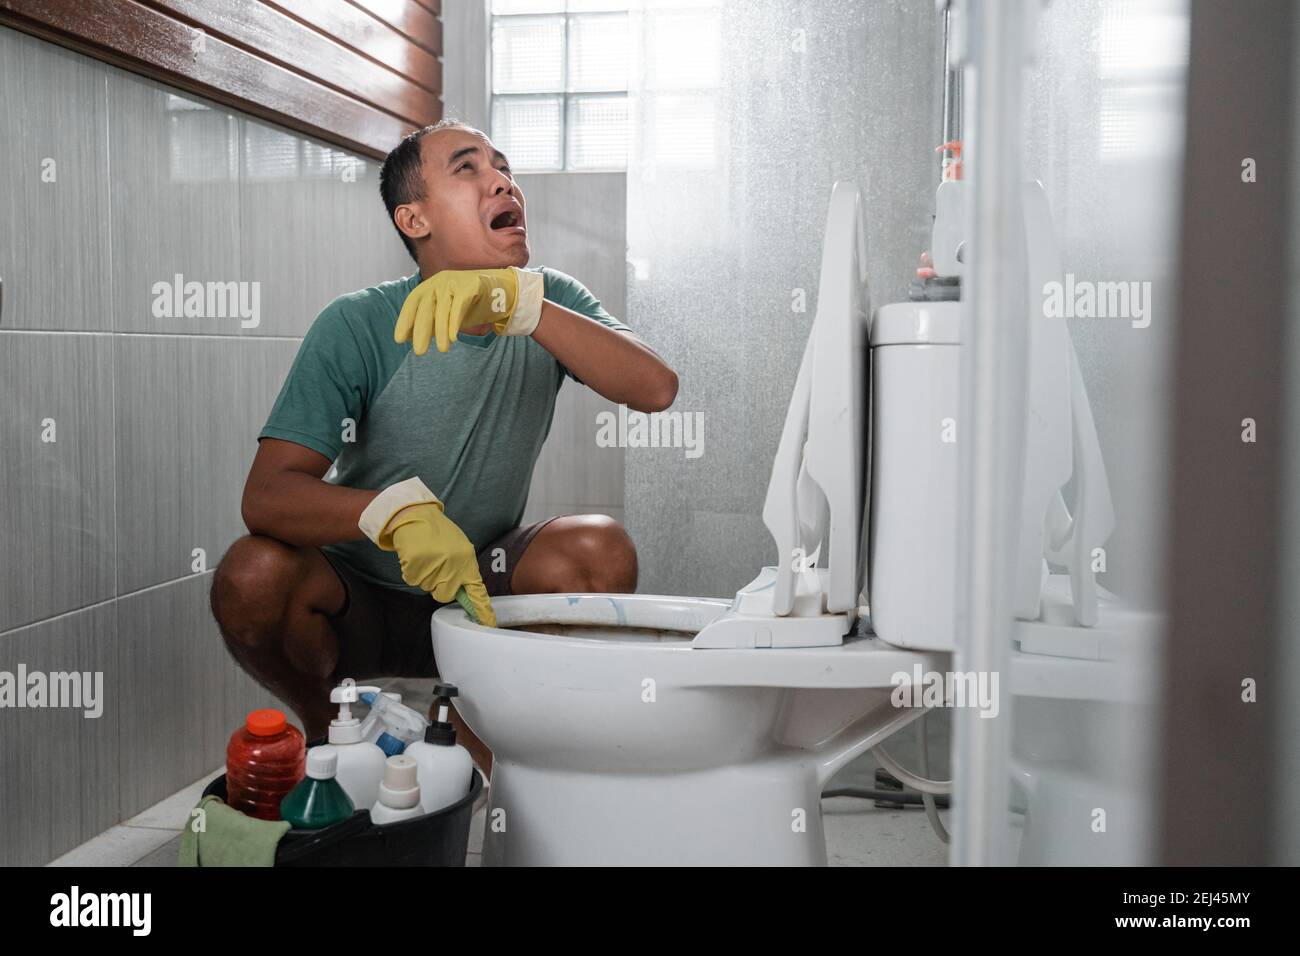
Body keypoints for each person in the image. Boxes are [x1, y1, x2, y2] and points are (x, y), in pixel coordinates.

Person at [209, 120, 678, 775]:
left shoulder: (548, 300)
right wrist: (390, 515)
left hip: (478, 590)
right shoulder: (357, 323)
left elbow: (656, 387)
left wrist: (525, 306)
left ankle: (472, 723)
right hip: (358, 598)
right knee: (252, 575)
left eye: (503, 166)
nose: (502, 179)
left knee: (599, 549)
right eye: (468, 168)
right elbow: (267, 496)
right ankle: (328, 726)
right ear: (414, 218)